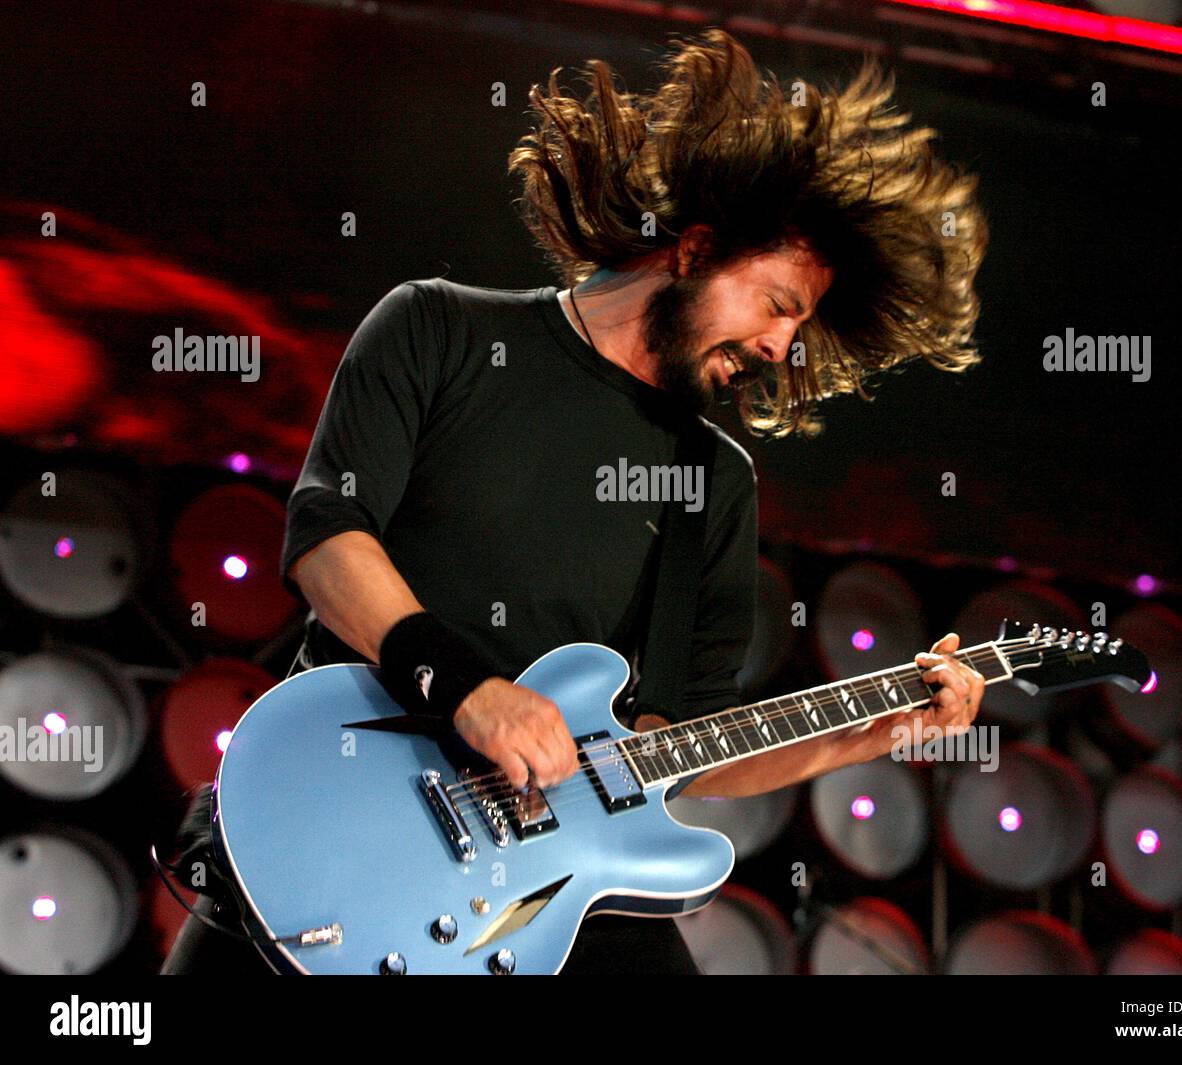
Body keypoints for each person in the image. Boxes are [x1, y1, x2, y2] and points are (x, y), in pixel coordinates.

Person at [161, 27, 989, 975]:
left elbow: (681, 746)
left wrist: (875, 727)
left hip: (537, 876)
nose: (781, 346)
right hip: (329, 811)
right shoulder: (438, 327)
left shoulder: (713, 481)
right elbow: (327, 538)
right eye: (776, 303)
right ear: (698, 249)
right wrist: (470, 690)